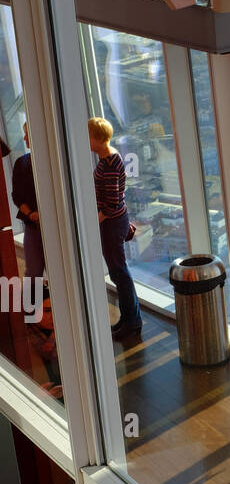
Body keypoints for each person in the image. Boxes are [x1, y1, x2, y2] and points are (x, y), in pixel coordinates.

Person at [88, 117, 142, 342]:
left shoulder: (108, 164)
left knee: (119, 273)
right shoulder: (111, 157)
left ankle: (131, 322)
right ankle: (129, 318)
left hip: (111, 224)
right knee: (120, 272)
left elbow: (111, 204)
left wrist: (93, 221)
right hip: (115, 222)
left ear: (98, 138)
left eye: (89, 136)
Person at [12, 122, 44, 280]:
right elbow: (16, 195)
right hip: (32, 226)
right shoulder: (21, 163)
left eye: (27, 134)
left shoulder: (52, 162)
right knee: (33, 273)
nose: (24, 138)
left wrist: (43, 213)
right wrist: (31, 214)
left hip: (54, 226)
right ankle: (32, 304)